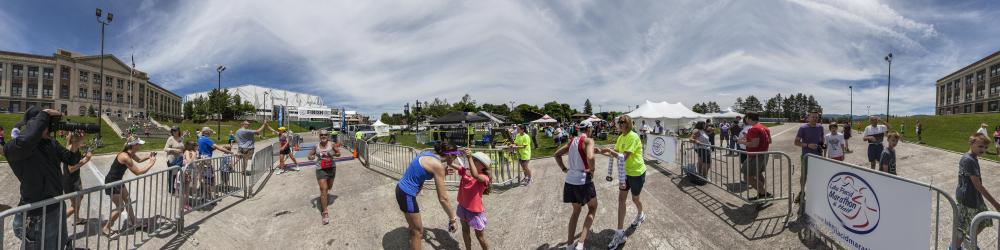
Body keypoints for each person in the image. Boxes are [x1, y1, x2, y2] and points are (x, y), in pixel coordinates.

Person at [6, 107, 86, 249]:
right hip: (37, 213)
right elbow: (25, 141)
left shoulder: (51, 143)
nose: (51, 127)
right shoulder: (15, 147)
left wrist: (75, 144)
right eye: (48, 123)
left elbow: (71, 159)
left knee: (59, 243)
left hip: (56, 204)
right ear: (36, 124)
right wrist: (44, 114)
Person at [396, 142, 460, 250]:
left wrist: (441, 173)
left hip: (401, 190)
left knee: (414, 229)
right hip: (406, 194)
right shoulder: (437, 165)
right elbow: (443, 198)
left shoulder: (428, 154)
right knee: (418, 232)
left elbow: (422, 171)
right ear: (449, 155)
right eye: (455, 156)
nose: (456, 158)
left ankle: (412, 236)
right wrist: (453, 219)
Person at [600, 115, 647, 249]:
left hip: (637, 173)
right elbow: (615, 153)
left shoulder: (633, 136)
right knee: (621, 200)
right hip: (625, 174)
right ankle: (619, 233)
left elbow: (623, 157)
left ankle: (640, 214)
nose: (620, 124)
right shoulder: (621, 137)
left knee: (635, 199)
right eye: (619, 122)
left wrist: (610, 151)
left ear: (629, 124)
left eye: (623, 122)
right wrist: (601, 151)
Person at [553, 121, 598, 250]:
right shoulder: (588, 140)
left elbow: (556, 154)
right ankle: (581, 244)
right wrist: (592, 170)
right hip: (583, 181)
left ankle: (569, 245)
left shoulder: (572, 141)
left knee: (576, 211)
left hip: (570, 181)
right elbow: (590, 157)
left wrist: (564, 168)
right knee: (592, 208)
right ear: (589, 129)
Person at [952, 133, 1000, 249]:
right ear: (971, 143)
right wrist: (996, 204)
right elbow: (978, 185)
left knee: (985, 220)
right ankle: (954, 247)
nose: (983, 149)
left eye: (985, 147)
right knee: (962, 228)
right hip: (967, 199)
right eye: (980, 146)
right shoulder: (969, 160)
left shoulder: (972, 158)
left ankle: (968, 240)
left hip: (974, 196)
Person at [101, 138, 158, 238]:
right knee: (120, 207)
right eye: (138, 144)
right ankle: (106, 228)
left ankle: (133, 221)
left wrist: (149, 157)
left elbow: (139, 160)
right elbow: (138, 172)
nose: (140, 146)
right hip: (112, 182)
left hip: (118, 181)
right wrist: (151, 163)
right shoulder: (125, 156)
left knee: (127, 199)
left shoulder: (130, 153)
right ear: (134, 145)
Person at [453, 148, 492, 250]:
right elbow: (451, 164)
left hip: (475, 211)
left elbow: (475, 175)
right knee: (465, 231)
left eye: (475, 160)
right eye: (473, 159)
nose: (472, 161)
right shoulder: (466, 172)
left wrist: (469, 157)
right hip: (463, 207)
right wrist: (453, 153)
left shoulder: (484, 177)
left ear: (483, 166)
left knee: (480, 237)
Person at [308, 130, 342, 225]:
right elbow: (309, 155)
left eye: (325, 135)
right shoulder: (316, 146)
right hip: (321, 169)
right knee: (323, 189)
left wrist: (334, 154)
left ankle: (325, 196)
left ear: (328, 136)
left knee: (329, 187)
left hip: (331, 168)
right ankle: (325, 212)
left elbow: (339, 153)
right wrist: (311, 157)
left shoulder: (332, 144)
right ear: (319, 136)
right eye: (321, 135)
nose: (323, 136)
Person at [738, 112, 772, 201]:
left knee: (748, 177)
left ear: (748, 118)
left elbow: (754, 144)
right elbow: (769, 141)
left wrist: (741, 142)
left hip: (754, 156)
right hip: (763, 154)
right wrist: (748, 139)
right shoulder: (764, 127)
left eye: (745, 118)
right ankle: (761, 194)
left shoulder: (754, 129)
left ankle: (764, 194)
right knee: (759, 175)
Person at [794, 110, 824, 203]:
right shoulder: (803, 128)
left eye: (816, 117)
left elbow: (821, 138)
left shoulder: (820, 127)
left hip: (818, 156)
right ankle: (802, 192)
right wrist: (807, 145)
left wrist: (822, 144)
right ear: (808, 118)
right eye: (813, 117)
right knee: (804, 176)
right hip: (806, 156)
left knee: (816, 176)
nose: (815, 118)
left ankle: (814, 193)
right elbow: (796, 142)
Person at [197, 127, 234, 200]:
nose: (210, 133)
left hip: (200, 159)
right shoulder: (207, 139)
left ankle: (203, 193)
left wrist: (212, 149)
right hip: (206, 160)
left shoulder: (200, 138)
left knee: (202, 176)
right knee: (210, 178)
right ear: (206, 132)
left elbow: (205, 148)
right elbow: (219, 148)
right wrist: (230, 152)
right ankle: (210, 196)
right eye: (209, 132)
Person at [63, 138, 93, 226]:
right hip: (72, 182)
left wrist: (82, 157)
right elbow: (71, 168)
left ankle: (77, 219)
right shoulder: (72, 150)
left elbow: (73, 162)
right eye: (82, 138)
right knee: (75, 206)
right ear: (76, 140)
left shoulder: (71, 147)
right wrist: (86, 159)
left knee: (79, 198)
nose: (84, 141)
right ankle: (57, 222)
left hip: (73, 180)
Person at [690, 121, 712, 185]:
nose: (705, 125)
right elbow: (690, 139)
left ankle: (700, 174)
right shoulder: (696, 130)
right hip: (703, 149)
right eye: (704, 124)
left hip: (705, 148)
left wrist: (710, 130)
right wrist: (696, 141)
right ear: (700, 125)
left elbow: (709, 133)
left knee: (701, 161)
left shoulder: (702, 130)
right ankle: (704, 176)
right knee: (708, 163)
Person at [164, 127, 185, 195]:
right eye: (173, 131)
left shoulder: (181, 138)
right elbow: (165, 149)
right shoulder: (170, 139)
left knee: (177, 175)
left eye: (176, 130)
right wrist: (174, 150)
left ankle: (177, 188)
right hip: (172, 160)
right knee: (172, 175)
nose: (175, 132)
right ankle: (171, 189)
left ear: (179, 131)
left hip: (180, 159)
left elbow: (182, 147)